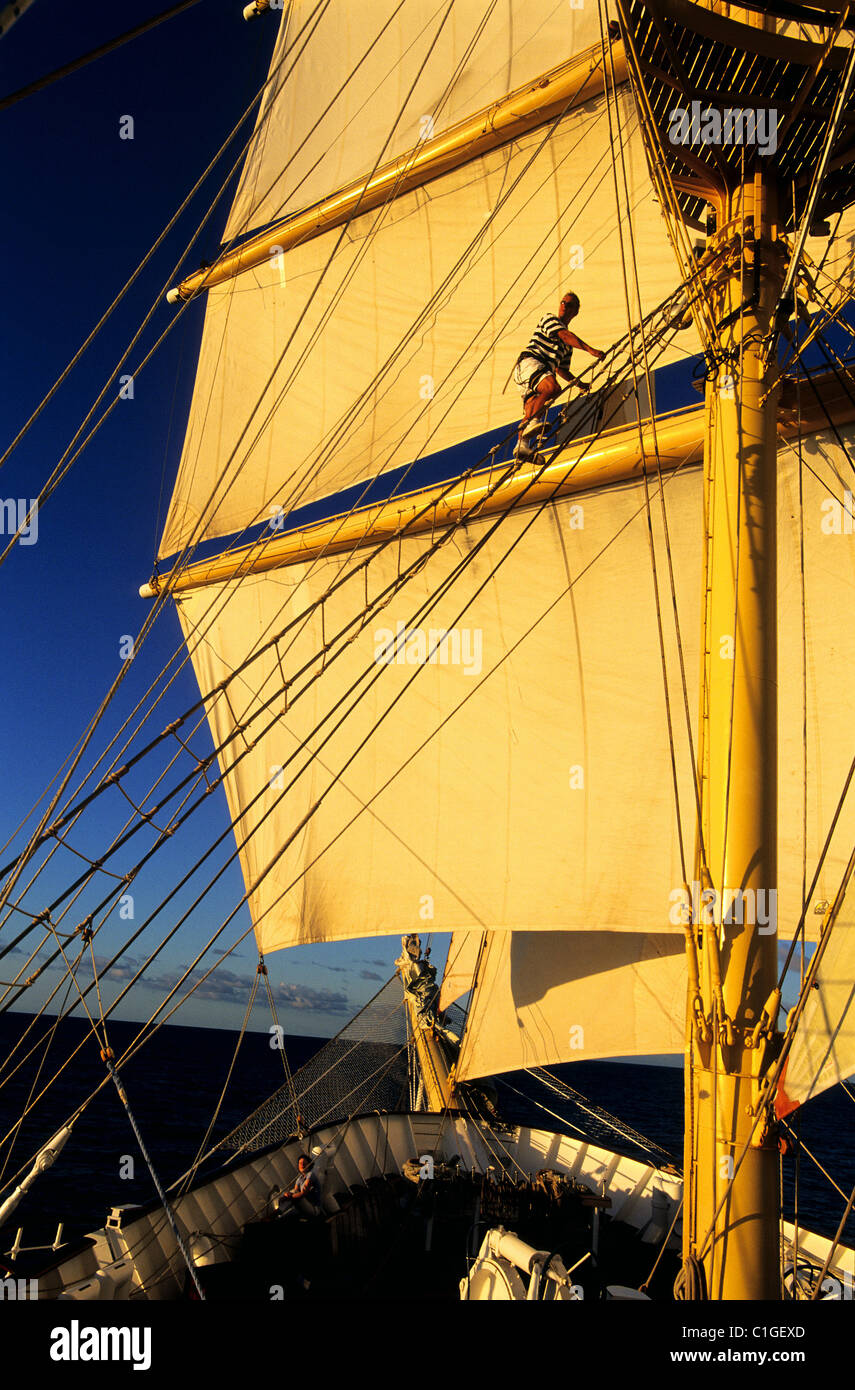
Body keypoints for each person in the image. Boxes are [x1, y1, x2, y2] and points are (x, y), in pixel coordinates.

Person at [513, 292, 604, 458]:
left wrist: (579, 384)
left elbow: (561, 369)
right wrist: (591, 350)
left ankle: (521, 445)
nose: (564, 306)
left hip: (535, 371)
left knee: (532, 406)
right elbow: (564, 335)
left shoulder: (567, 348)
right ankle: (533, 422)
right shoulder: (550, 319)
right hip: (530, 363)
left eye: (569, 305)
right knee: (552, 387)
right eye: (562, 302)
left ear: (575, 311)